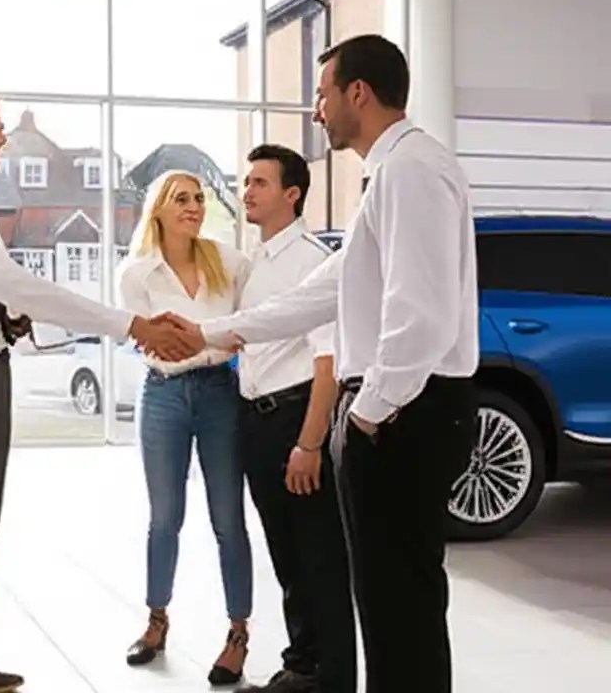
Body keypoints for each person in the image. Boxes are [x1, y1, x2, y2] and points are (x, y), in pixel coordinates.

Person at [174, 34, 479, 693]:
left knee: (401, 606)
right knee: (397, 607)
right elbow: (318, 295)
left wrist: (365, 416)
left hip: (403, 414)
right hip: (402, 412)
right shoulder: (392, 175)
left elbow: (420, 318)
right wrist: (208, 332)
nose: (317, 110)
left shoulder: (410, 171)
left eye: (322, 93)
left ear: (357, 94)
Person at [0, 86, 194, 693]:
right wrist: (129, 324)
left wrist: (5, 315)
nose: (0, 136)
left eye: (1, 126)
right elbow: (15, 281)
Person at [117, 169, 255, 687]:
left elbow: (253, 318)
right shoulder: (138, 274)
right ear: (159, 208)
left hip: (221, 393)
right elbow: (147, 342)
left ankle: (238, 633)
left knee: (228, 520)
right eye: (182, 199)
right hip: (164, 396)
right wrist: (198, 341)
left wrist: (205, 341)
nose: (194, 207)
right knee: (164, 519)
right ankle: (156, 623)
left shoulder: (227, 260)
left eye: (198, 199)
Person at [231, 144, 355, 693]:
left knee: (318, 555)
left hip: (294, 419)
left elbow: (328, 363)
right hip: (257, 421)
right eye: (247, 182)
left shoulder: (311, 261)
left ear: (292, 193)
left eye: (260, 182)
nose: (247, 192)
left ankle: (328, 676)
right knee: (286, 553)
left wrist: (309, 444)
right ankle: (302, 664)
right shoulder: (253, 261)